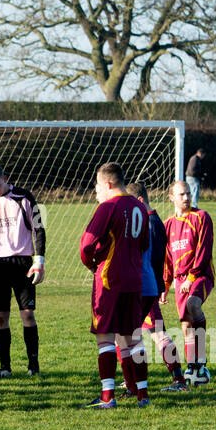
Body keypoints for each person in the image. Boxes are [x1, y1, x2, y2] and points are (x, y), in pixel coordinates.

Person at [79, 162, 150, 409]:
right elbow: (143, 243)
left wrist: (93, 265)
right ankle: (143, 394)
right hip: (134, 279)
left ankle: (107, 395)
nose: (96, 191)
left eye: (97, 186)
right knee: (134, 339)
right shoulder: (140, 207)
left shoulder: (107, 207)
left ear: (108, 184)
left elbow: (86, 245)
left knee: (105, 338)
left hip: (109, 280)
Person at [0, 165, 45, 378]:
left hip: (23, 263)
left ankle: (33, 365)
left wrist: (39, 261)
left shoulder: (25, 196)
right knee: (1, 316)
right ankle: (5, 367)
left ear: (5, 179)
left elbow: (39, 229)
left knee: (27, 314)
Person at [124, 183, 187, 393]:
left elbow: (152, 259)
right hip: (150, 285)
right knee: (142, 333)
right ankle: (135, 380)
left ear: (140, 201)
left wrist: (157, 284)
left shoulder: (149, 223)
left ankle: (176, 380)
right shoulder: (155, 221)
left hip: (144, 287)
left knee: (152, 334)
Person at [162, 179, 215, 385]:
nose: (186, 197)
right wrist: (165, 286)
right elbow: (167, 258)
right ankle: (193, 366)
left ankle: (200, 360)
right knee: (185, 325)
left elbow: (204, 250)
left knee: (194, 304)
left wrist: (191, 277)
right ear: (172, 198)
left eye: (188, 193)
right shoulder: (168, 224)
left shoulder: (201, 217)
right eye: (181, 194)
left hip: (200, 274)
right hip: (179, 279)